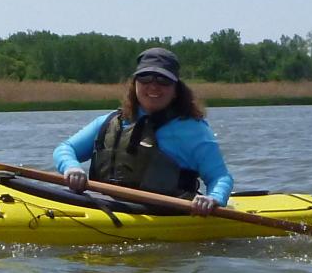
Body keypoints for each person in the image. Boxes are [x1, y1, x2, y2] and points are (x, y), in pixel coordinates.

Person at [53, 47, 233, 214]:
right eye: (145, 77)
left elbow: (220, 177)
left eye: (163, 80)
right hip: (103, 208)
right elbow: (65, 149)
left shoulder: (193, 130)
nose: (153, 86)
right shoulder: (109, 122)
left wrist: (213, 199)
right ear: (135, 84)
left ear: (176, 89)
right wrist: (71, 168)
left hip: (163, 214)